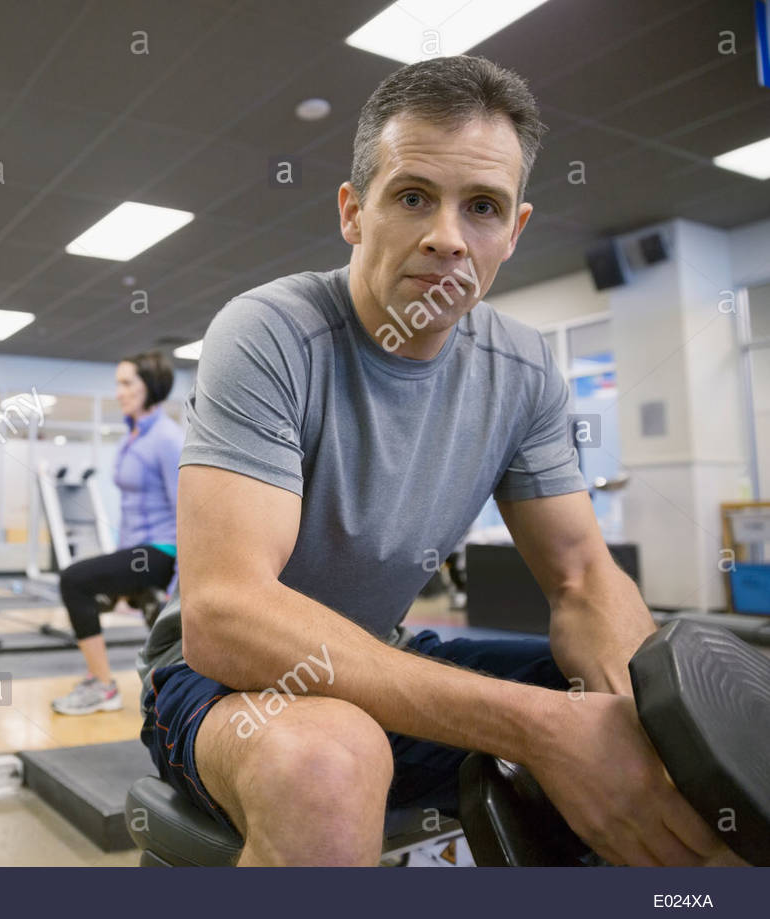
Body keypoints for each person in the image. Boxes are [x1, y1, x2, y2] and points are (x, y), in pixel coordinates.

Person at [137, 55, 741, 866]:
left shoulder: (523, 370)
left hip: (383, 651)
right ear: (354, 212)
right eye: (414, 196)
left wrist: (642, 727)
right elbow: (226, 618)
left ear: (514, 232)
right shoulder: (272, 333)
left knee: (702, 716)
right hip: (226, 686)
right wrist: (541, 730)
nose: (448, 238)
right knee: (329, 760)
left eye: (482, 208)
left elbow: (582, 578)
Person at [51, 351, 183, 716]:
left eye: (127, 383)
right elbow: (129, 510)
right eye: (117, 383)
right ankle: (156, 688)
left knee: (74, 580)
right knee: (87, 584)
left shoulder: (168, 438)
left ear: (151, 386)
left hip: (164, 550)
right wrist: (123, 578)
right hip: (139, 549)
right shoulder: (132, 436)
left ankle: (104, 687)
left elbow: (188, 512)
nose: (119, 392)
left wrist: (177, 582)